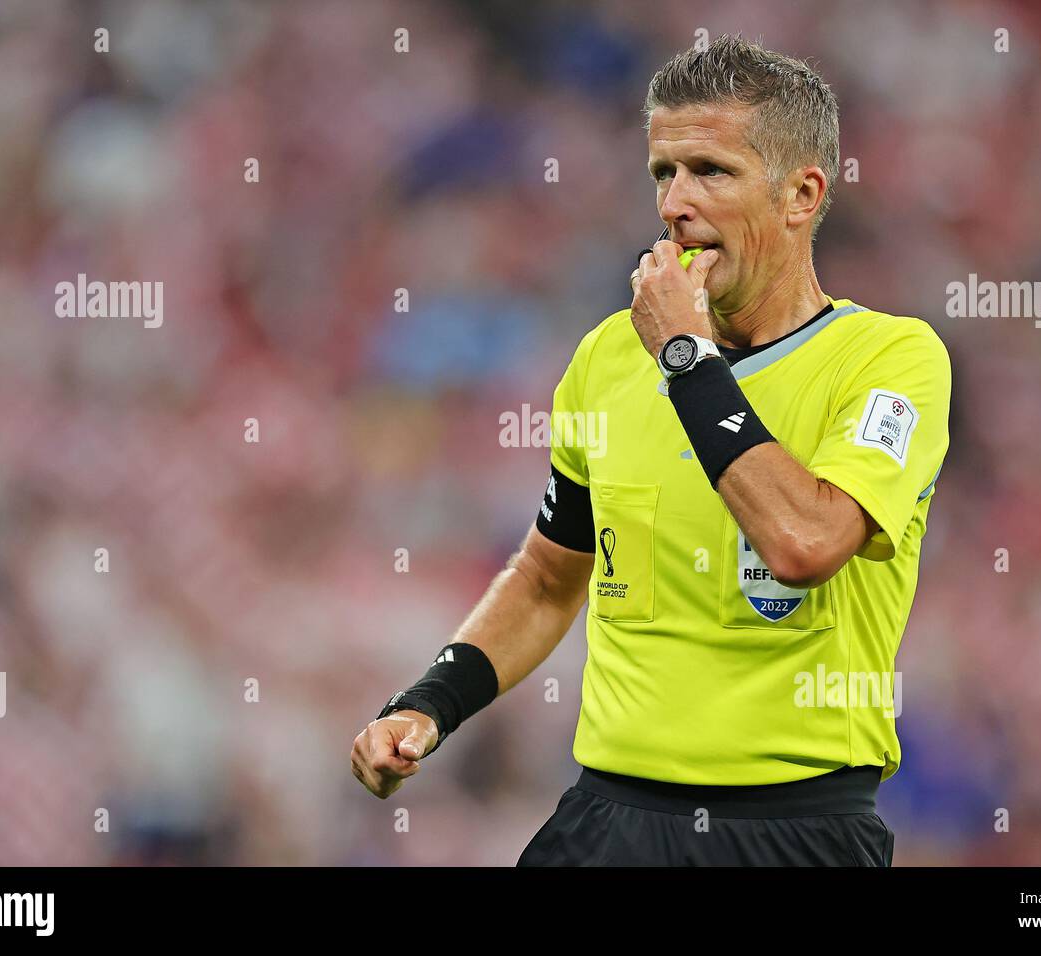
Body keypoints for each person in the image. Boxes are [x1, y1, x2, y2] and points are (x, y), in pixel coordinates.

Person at [351, 34, 951, 867]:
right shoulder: (607, 357)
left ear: (802, 194)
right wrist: (428, 705)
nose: (675, 203)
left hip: (794, 831)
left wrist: (687, 360)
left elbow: (804, 544)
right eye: (663, 173)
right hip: (610, 819)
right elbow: (547, 577)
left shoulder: (891, 360)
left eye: (711, 171)